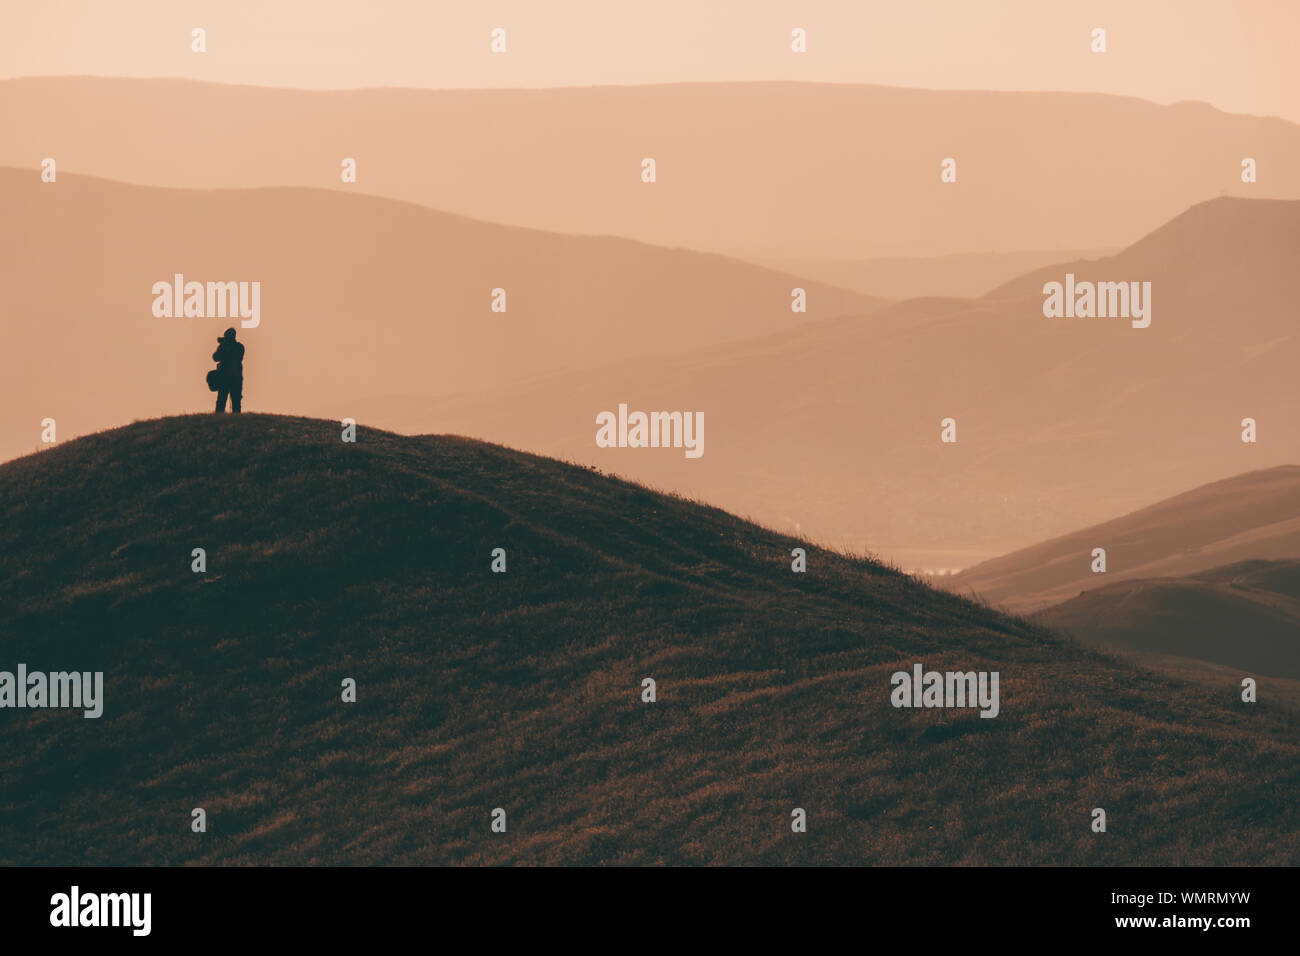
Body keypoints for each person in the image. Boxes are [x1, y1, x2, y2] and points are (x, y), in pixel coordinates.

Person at [212, 328, 245, 413]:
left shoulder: (236, 347)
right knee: (229, 401)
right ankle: (234, 419)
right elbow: (215, 357)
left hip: (230, 377)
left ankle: (221, 418)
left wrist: (223, 346)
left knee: (229, 400)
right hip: (233, 377)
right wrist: (223, 345)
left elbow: (216, 357)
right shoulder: (238, 346)